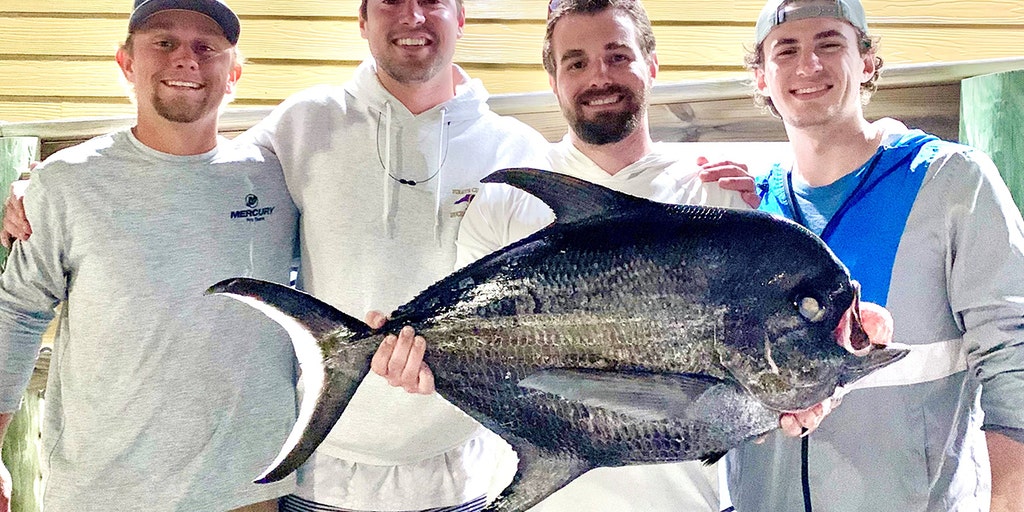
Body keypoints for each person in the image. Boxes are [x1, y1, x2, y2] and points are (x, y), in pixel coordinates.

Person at [231, 0, 559, 510]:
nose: (412, 16)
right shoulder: (302, 124)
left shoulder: (518, 151)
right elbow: (208, 189)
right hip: (321, 473)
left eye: (431, 1)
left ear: (460, 18)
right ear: (363, 21)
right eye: (390, 1)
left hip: (463, 477)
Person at [0, 1, 300, 511]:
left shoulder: (279, 179)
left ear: (234, 74)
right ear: (127, 62)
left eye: (206, 47)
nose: (186, 59)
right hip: (104, 488)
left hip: (245, 488)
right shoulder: (66, 182)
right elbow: (18, 313)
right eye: (164, 43)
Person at [724, 1, 1024, 511]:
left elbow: (1014, 360)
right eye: (786, 50)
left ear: (866, 62)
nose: (808, 64)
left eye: (829, 44)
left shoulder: (951, 181)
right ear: (761, 77)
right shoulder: (749, 210)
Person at [452, 1, 750, 510]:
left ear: (651, 65)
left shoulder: (715, 199)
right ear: (553, 81)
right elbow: (463, 349)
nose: (599, 78)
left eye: (618, 57)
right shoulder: (504, 201)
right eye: (576, 63)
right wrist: (411, 359)